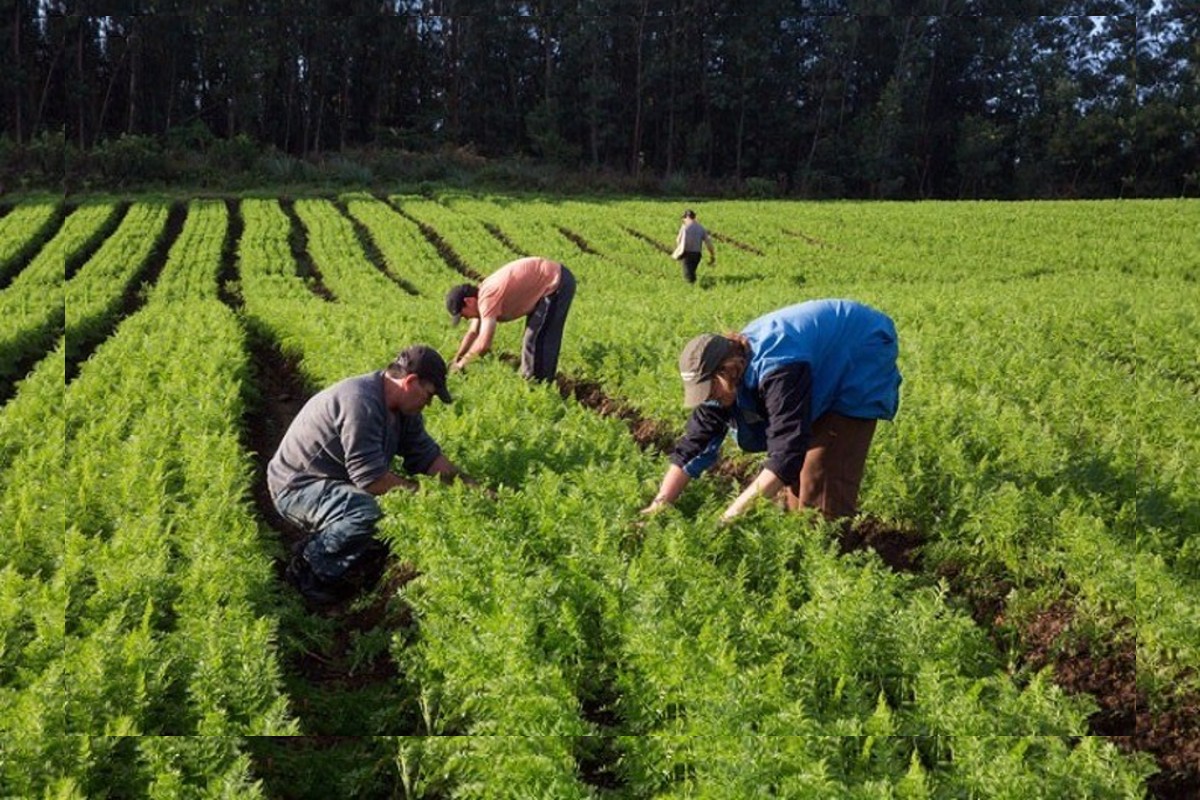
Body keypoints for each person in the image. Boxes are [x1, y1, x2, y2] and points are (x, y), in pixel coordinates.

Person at [642, 299, 901, 523]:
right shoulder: (724, 383)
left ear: (725, 372)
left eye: (710, 391)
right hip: (818, 359)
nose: (709, 399)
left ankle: (825, 556)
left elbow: (785, 454)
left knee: (822, 477)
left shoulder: (778, 370)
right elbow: (693, 447)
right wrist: (659, 506)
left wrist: (729, 518)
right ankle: (799, 545)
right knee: (796, 483)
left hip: (859, 351)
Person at [268, 345, 470, 606]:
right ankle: (308, 568)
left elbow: (427, 457)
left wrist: (468, 485)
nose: (429, 404)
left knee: (382, 507)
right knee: (366, 511)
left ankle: (346, 557)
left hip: (333, 482)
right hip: (296, 487)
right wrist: (425, 494)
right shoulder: (361, 402)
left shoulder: (404, 410)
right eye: (429, 395)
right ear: (410, 382)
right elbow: (371, 479)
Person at [445, 256, 576, 381]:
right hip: (548, 280)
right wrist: (457, 359)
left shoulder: (487, 298)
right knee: (535, 337)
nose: (466, 318)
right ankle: (535, 382)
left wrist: (462, 365)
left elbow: (484, 344)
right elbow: (473, 333)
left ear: (468, 301)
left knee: (536, 338)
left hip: (557, 283)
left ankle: (537, 385)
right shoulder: (481, 295)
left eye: (463, 314)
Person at [671, 209, 716, 284]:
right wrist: (712, 255)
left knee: (688, 276)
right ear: (694, 217)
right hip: (697, 255)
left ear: (686, 217)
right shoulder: (700, 228)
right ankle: (697, 286)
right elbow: (708, 243)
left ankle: (697, 289)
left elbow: (678, 240)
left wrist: (678, 250)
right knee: (692, 272)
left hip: (686, 254)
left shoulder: (684, 227)